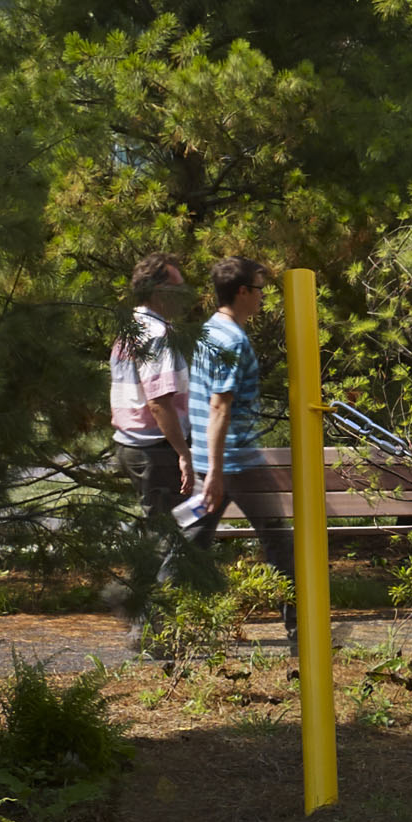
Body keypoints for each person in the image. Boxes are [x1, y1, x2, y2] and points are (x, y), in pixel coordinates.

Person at [173, 256, 295, 578]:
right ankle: (300, 626)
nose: (262, 296)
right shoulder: (233, 341)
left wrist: (209, 467)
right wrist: (216, 472)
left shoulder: (208, 331)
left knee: (191, 541)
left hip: (211, 459)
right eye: (259, 290)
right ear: (242, 292)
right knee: (279, 542)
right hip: (235, 463)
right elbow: (218, 406)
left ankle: (151, 616)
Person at [110, 261, 193, 599]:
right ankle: (149, 622)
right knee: (167, 539)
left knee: (159, 533)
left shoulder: (129, 327)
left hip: (132, 445)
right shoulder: (158, 335)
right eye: (178, 287)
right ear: (159, 291)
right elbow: (159, 402)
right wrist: (183, 453)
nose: (185, 295)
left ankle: (149, 617)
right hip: (156, 448)